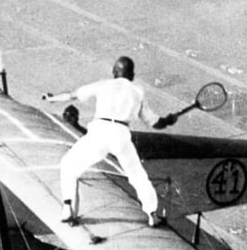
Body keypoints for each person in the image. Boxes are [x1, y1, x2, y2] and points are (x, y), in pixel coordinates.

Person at [42, 56, 177, 227]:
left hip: (99, 131)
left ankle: (68, 208)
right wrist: (168, 120)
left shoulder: (103, 84)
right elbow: (155, 123)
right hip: (121, 134)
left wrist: (52, 98)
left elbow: (72, 95)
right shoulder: (138, 92)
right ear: (132, 74)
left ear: (114, 72)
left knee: (69, 165)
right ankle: (152, 214)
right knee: (137, 175)